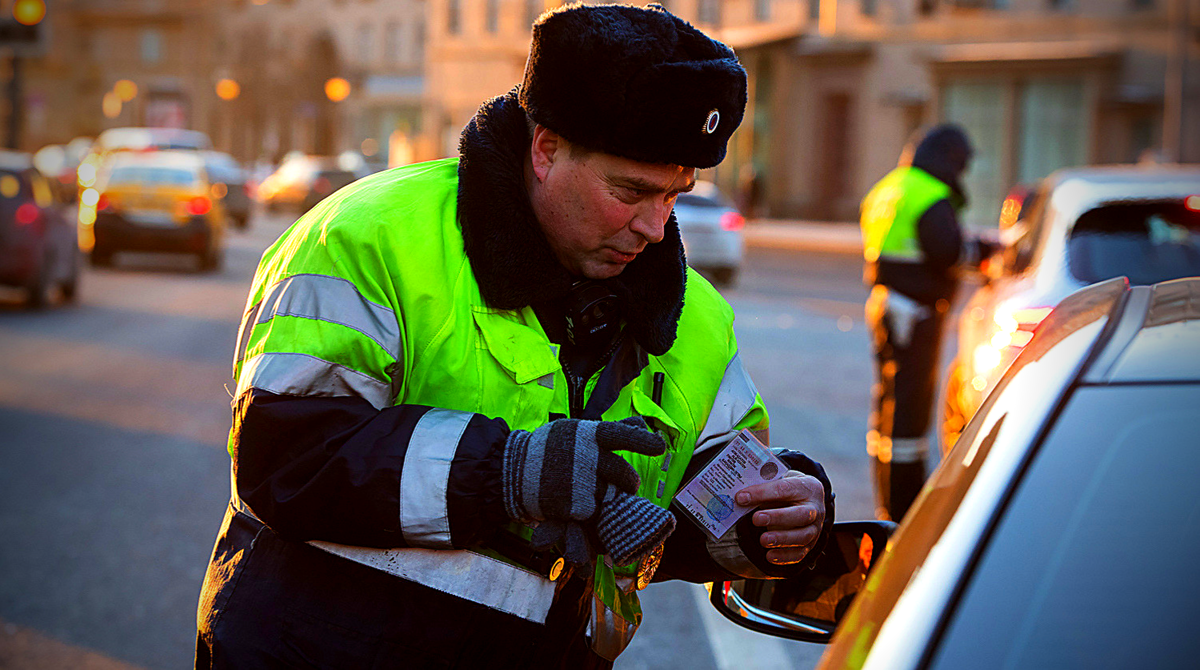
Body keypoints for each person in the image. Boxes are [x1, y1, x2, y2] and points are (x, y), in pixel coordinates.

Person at [194, 4, 835, 668]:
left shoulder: (696, 318)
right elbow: (289, 455)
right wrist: (505, 473)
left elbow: (694, 499)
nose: (653, 227)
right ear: (546, 148)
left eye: (674, 195)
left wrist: (774, 517)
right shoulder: (368, 238)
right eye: (631, 191)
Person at [860, 124, 980, 522]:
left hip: (884, 304)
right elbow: (947, 251)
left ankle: (885, 496)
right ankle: (906, 507)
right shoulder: (930, 195)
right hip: (915, 313)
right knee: (911, 413)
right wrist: (982, 250)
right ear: (948, 159)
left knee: (888, 404)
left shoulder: (890, 187)